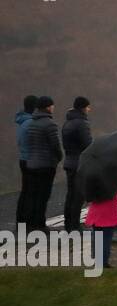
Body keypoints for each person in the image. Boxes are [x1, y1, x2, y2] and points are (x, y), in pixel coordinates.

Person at [22, 96, 62, 232]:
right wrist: (59, 158)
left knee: (33, 194)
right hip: (46, 165)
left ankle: (31, 223)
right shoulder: (50, 124)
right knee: (43, 196)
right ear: (48, 107)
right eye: (52, 105)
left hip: (32, 164)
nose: (53, 107)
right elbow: (55, 145)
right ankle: (40, 224)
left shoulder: (32, 123)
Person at [60, 97, 92, 231]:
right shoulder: (82, 123)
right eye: (88, 107)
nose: (89, 109)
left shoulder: (67, 123)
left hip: (69, 162)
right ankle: (75, 225)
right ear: (83, 107)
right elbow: (87, 144)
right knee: (78, 196)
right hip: (80, 164)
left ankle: (68, 224)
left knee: (70, 195)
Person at [84, 178, 117, 268]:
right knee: (106, 239)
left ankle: (96, 259)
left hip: (96, 212)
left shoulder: (93, 176)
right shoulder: (115, 175)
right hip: (109, 212)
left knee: (97, 237)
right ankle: (103, 261)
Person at [14, 95, 37, 229]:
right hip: (30, 159)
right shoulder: (30, 123)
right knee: (31, 191)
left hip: (23, 158)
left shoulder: (22, 122)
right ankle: (27, 222)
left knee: (25, 191)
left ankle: (21, 220)